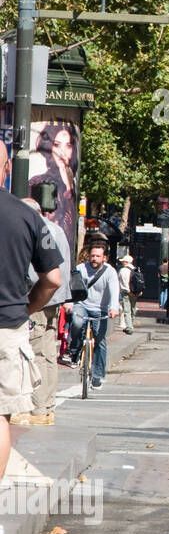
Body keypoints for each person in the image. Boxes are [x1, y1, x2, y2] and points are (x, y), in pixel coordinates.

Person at [0, 178, 63, 483]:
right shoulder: (26, 216)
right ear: (6, 168)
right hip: (7, 326)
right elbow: (52, 279)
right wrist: (27, 308)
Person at [10, 197, 69, 428]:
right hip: (56, 300)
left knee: (34, 352)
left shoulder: (36, 228)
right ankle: (48, 407)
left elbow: (37, 273)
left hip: (40, 298)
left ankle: (36, 408)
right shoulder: (58, 230)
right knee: (48, 353)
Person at [66, 244, 120, 389]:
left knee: (100, 340)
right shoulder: (81, 269)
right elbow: (71, 286)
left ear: (104, 258)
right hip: (82, 305)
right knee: (76, 322)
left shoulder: (110, 272)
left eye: (98, 256)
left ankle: (97, 375)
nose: (94, 259)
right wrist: (69, 302)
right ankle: (75, 350)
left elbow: (114, 290)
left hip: (101, 310)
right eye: (92, 256)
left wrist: (114, 308)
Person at [118, 254, 139, 335]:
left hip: (126, 292)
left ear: (126, 262)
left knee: (126, 309)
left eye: (123, 261)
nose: (122, 263)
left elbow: (122, 281)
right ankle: (131, 323)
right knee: (133, 308)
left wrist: (128, 290)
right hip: (135, 292)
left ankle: (129, 326)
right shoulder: (135, 269)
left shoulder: (123, 270)